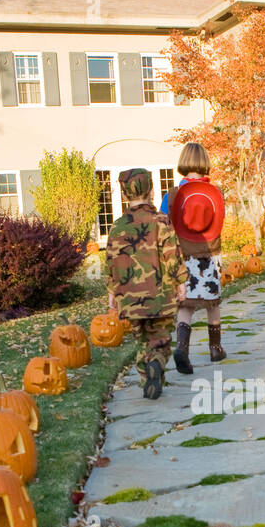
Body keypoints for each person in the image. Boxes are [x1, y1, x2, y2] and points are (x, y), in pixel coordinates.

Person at [105, 168, 188, 400]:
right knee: (160, 337)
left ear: (123, 196)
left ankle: (147, 378)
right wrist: (181, 282)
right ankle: (157, 365)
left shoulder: (118, 226)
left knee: (141, 339)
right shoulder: (161, 221)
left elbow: (110, 261)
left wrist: (112, 291)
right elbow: (172, 254)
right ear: (151, 191)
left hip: (129, 297)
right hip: (159, 294)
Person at [167, 142, 227, 373]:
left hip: (182, 256)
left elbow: (164, 223)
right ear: (205, 163)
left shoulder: (172, 195)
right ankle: (215, 348)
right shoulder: (216, 193)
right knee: (213, 304)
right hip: (209, 256)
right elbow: (219, 222)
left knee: (186, 305)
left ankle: (182, 347)